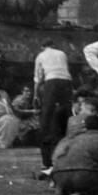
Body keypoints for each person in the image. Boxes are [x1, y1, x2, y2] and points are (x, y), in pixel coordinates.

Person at [32, 38, 73, 172]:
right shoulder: (62, 53)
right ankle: (65, 155)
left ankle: (46, 161)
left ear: (42, 47)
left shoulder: (41, 56)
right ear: (53, 45)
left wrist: (36, 95)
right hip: (66, 83)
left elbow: (38, 78)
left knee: (47, 120)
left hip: (52, 83)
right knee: (65, 116)